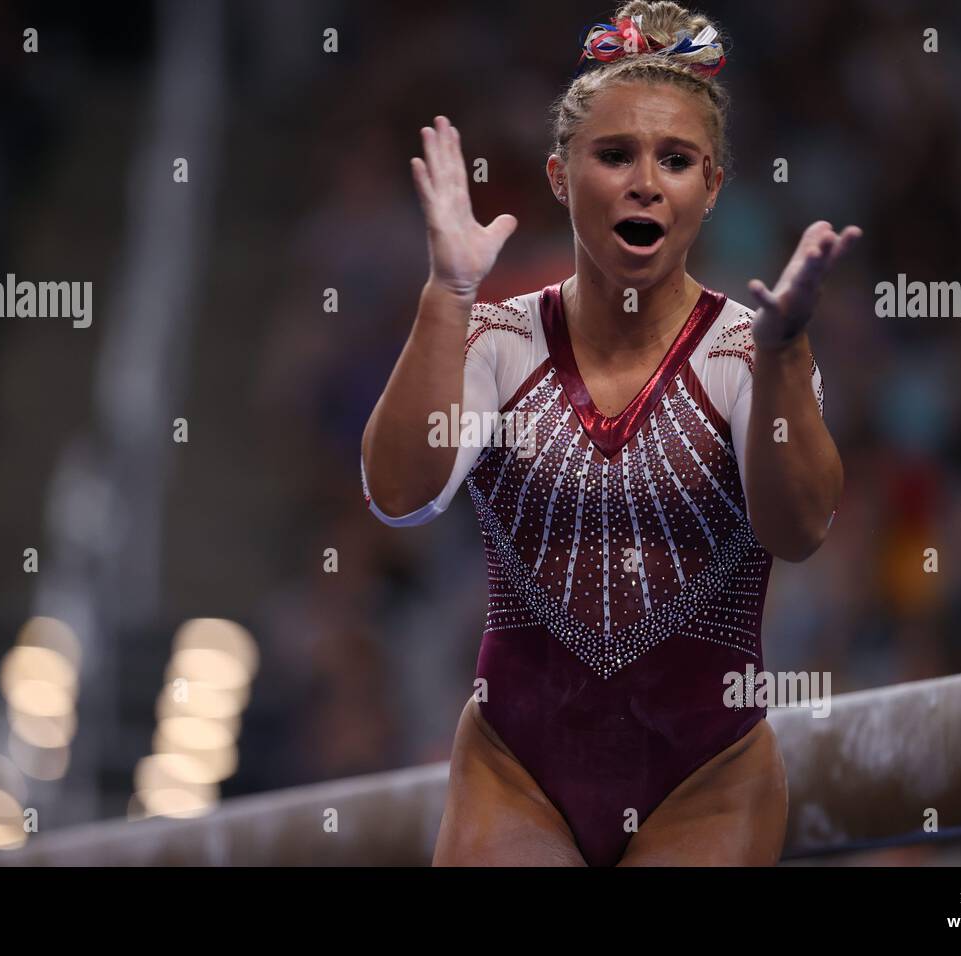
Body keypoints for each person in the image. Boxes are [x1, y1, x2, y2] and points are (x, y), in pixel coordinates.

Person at [360, 0, 859, 866]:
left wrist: (785, 361)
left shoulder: (750, 347)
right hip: (515, 766)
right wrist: (446, 293)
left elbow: (801, 531)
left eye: (676, 160)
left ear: (712, 186)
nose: (644, 181)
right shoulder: (499, 339)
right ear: (560, 176)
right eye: (614, 155)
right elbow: (398, 496)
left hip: (709, 774)